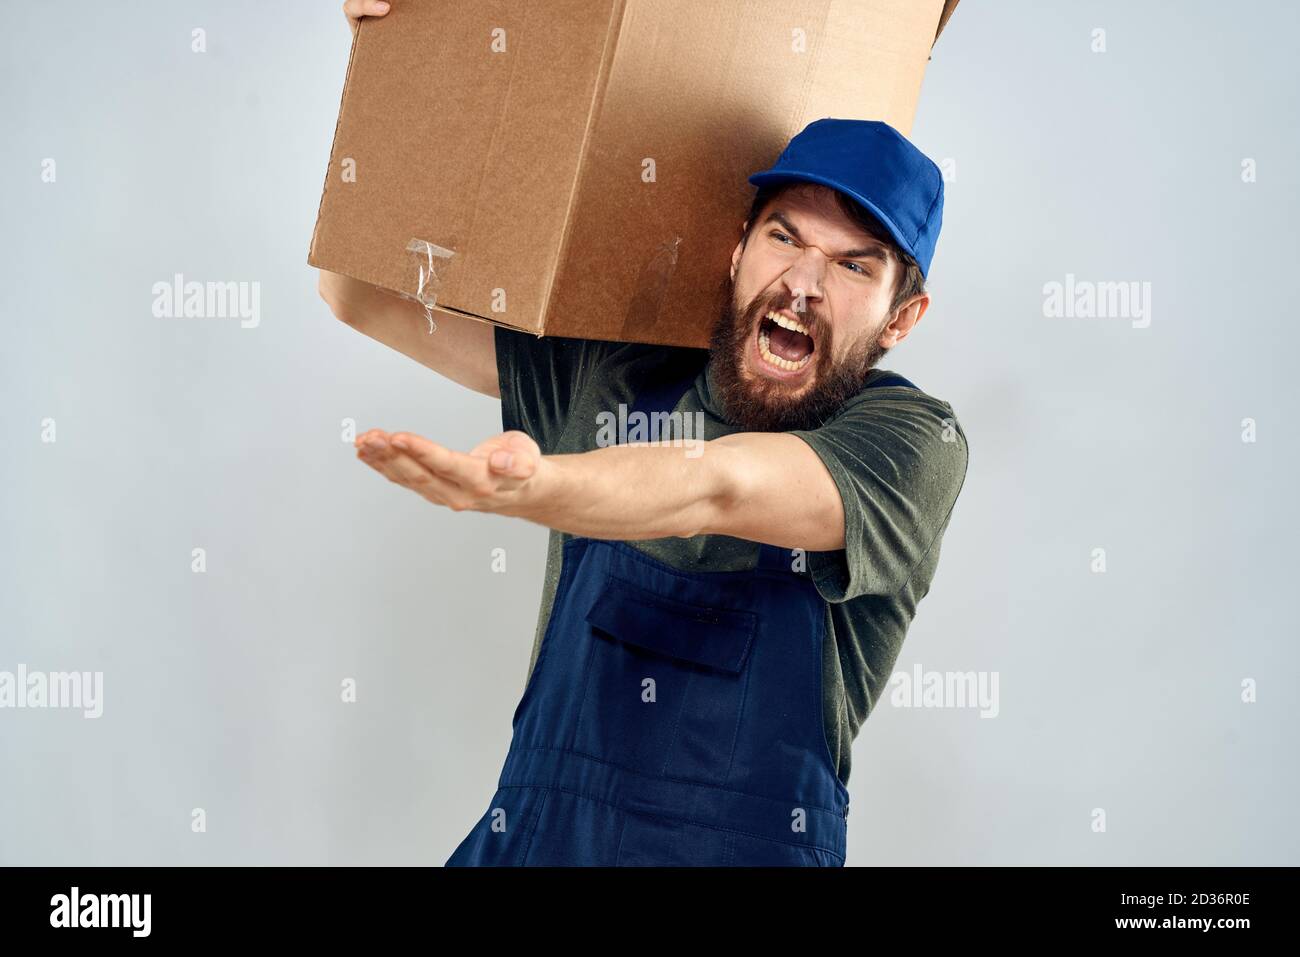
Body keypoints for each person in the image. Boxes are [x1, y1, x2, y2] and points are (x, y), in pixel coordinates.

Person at [321, 0, 970, 867]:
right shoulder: (609, 371)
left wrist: (539, 485)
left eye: (855, 265)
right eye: (786, 236)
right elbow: (355, 291)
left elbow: (720, 483)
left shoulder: (906, 440)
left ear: (903, 317)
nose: (805, 282)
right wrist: (389, 52)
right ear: (736, 250)